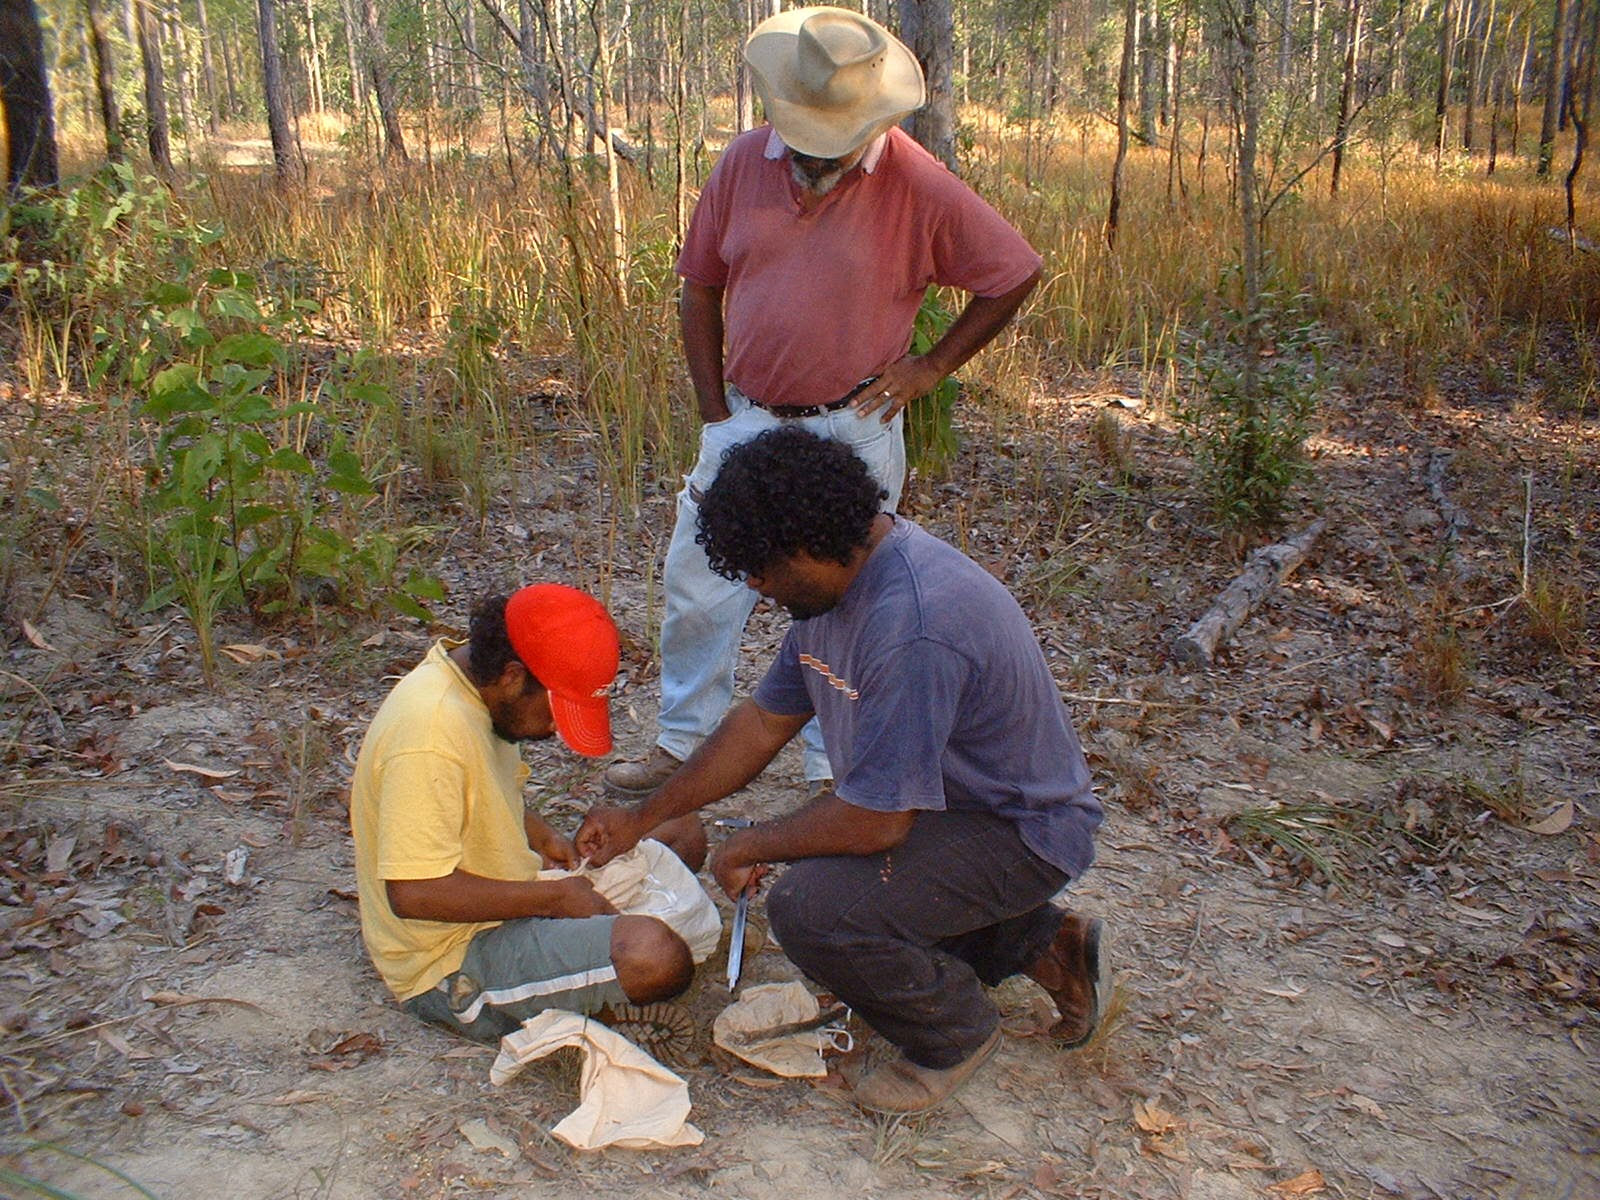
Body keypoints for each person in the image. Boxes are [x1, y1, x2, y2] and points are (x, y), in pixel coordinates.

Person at [579, 429, 1107, 1114]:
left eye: (760, 569)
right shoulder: (832, 591)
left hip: (1023, 830)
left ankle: (953, 1033)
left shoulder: (913, 624)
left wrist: (752, 841)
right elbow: (762, 724)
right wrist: (643, 817)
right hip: (952, 809)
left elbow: (876, 821)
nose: (753, 586)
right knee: (854, 884)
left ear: (807, 542)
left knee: (814, 907)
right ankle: (1047, 945)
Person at [605, 5, 1044, 798]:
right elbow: (700, 286)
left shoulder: (917, 183)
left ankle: (830, 771)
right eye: (807, 146)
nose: (817, 163)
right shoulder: (742, 163)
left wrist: (932, 367)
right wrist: (716, 412)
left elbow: (1013, 272)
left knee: (845, 600)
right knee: (699, 585)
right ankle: (683, 743)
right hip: (748, 414)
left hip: (852, 426)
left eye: (833, 148)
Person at [349, 584, 707, 1043]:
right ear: (513, 676)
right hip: (451, 956)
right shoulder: (430, 734)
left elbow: (486, 789)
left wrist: (542, 838)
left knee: (682, 828)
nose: (557, 726)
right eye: (556, 709)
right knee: (654, 956)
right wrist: (554, 900)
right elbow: (414, 894)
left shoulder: (475, 688)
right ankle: (581, 1001)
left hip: (512, 895)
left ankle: (587, 977)